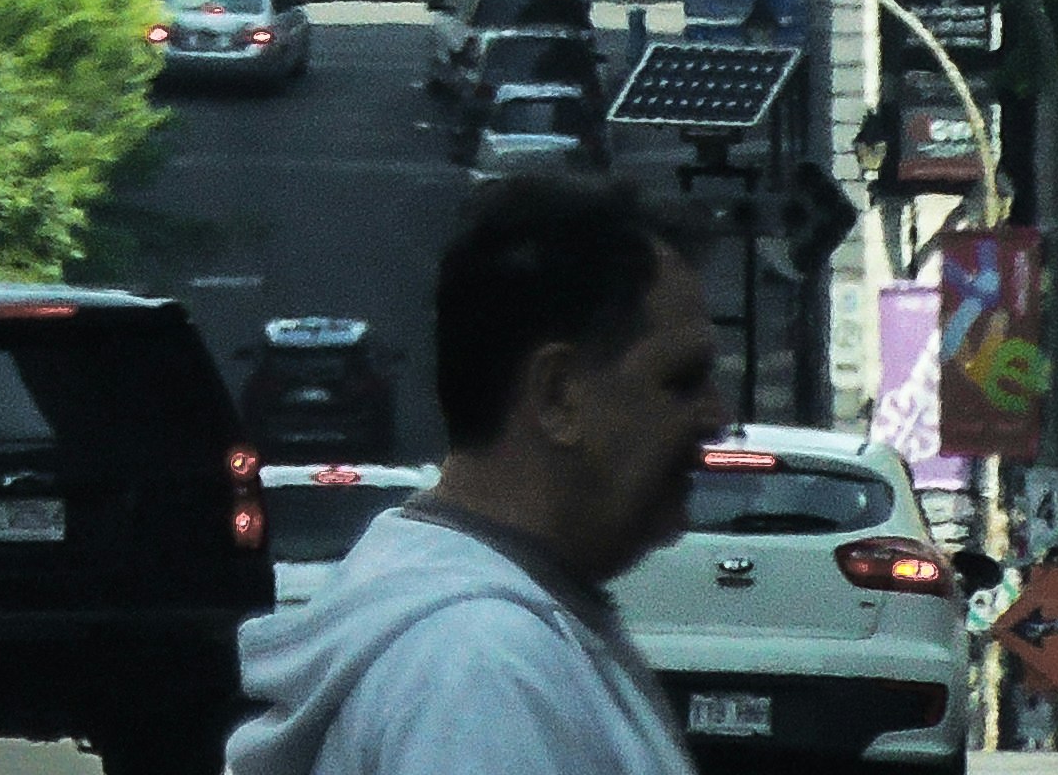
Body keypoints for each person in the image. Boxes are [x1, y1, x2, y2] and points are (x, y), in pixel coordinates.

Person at [233, 174, 724, 774]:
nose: (717, 419)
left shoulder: (491, 638)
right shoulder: (478, 669)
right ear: (558, 396)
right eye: (682, 380)